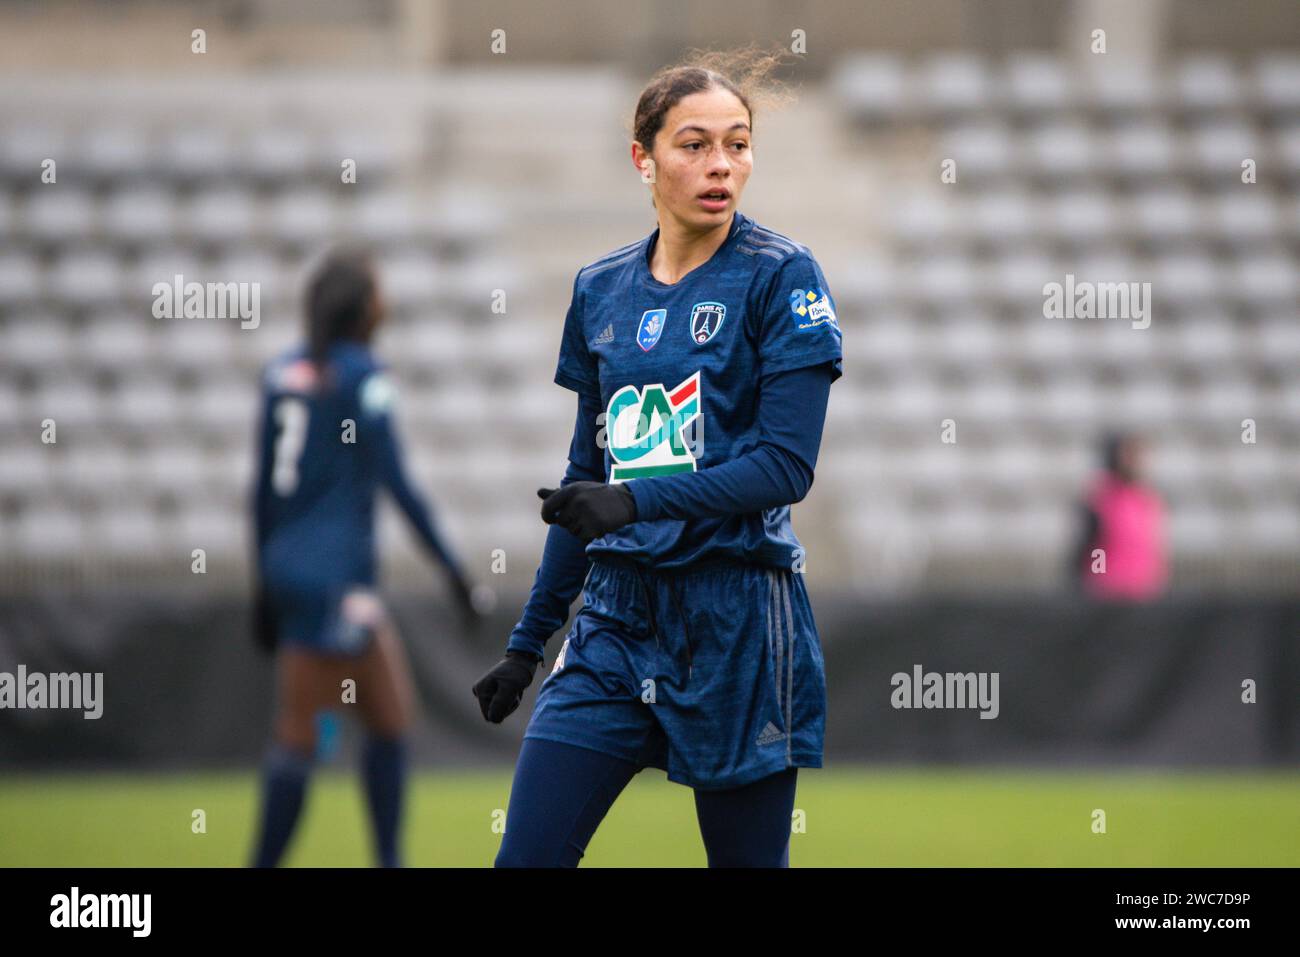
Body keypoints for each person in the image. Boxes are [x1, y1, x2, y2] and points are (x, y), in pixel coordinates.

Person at [472, 50, 843, 867]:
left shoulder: (781, 276)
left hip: (738, 617)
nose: (722, 165)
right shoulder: (600, 288)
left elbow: (787, 466)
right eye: (695, 144)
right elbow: (583, 485)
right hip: (614, 619)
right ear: (643, 158)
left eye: (738, 144)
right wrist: (529, 644)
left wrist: (634, 502)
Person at [248, 249, 478, 867]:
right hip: (336, 579)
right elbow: (399, 484)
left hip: (288, 568)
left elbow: (262, 490)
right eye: (379, 292)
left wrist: (263, 586)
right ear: (361, 307)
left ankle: (387, 859)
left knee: (387, 713)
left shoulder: (281, 374)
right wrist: (452, 569)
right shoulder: (364, 376)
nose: (387, 302)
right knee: (303, 730)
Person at [1069, 431, 1168, 600]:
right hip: (1108, 592)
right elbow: (1094, 546)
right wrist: (1096, 578)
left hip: (1144, 591)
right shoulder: (1101, 497)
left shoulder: (1147, 499)